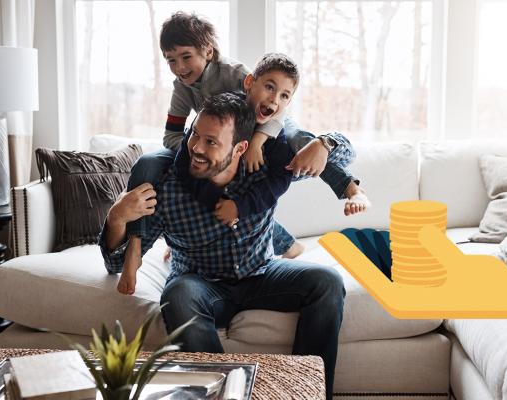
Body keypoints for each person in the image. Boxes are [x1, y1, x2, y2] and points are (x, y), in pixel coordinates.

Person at [100, 92, 345, 400]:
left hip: (262, 273)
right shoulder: (168, 188)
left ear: (240, 147)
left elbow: (345, 160)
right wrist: (116, 218)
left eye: (211, 142)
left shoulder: (264, 169)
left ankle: (306, 394)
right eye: (194, 136)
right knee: (178, 294)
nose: (196, 149)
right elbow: (116, 265)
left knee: (328, 282)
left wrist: (325, 144)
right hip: (201, 285)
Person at [121, 12, 370, 291]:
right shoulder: (182, 88)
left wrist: (259, 141)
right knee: (148, 162)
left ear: (208, 51)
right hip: (215, 147)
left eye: (186, 57)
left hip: (267, 128)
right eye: (171, 60)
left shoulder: (236, 75)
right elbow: (171, 135)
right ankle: (135, 244)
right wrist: (199, 150)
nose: (179, 66)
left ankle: (350, 189)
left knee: (300, 143)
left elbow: (271, 106)